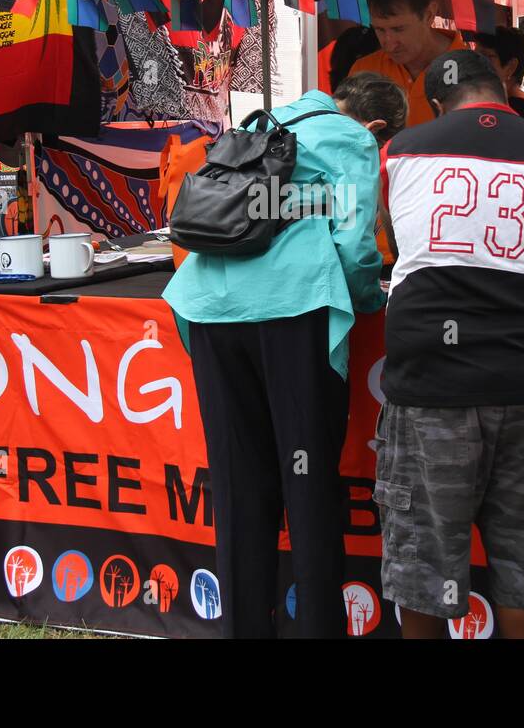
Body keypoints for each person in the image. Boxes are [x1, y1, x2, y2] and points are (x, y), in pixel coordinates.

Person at [163, 72, 407, 637]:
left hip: (208, 307)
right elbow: (353, 246)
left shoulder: (260, 123)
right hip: (292, 310)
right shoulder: (352, 138)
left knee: (238, 486)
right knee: (309, 487)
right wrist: (372, 299)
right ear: (374, 126)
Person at [377, 50, 524, 639]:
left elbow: (396, 239)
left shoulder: (402, 150)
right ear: (504, 91)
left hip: (433, 382)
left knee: (424, 563)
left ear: (434, 103)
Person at [350, 0, 466, 130]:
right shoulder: (364, 71)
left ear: (429, 14)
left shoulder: (472, 73)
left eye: (398, 29)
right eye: (380, 30)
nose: (389, 44)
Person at [471, 26, 524, 131]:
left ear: (510, 67)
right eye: (475, 56)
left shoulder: (516, 111)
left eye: (485, 57)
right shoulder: (518, 108)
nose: (474, 63)